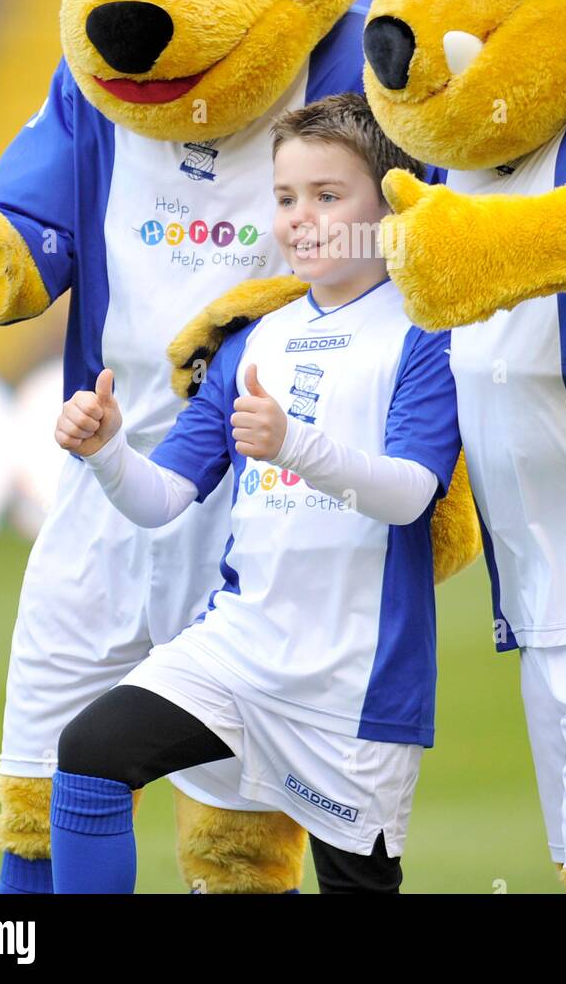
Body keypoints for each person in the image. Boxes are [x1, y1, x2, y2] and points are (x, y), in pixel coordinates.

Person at [48, 93, 462, 893]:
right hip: (237, 651)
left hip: (356, 682)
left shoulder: (425, 332)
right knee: (92, 753)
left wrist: (294, 445)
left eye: (327, 196)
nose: (300, 218)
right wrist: (107, 453)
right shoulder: (254, 338)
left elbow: (412, 495)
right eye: (284, 198)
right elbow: (165, 499)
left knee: (359, 884)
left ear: (392, 202)